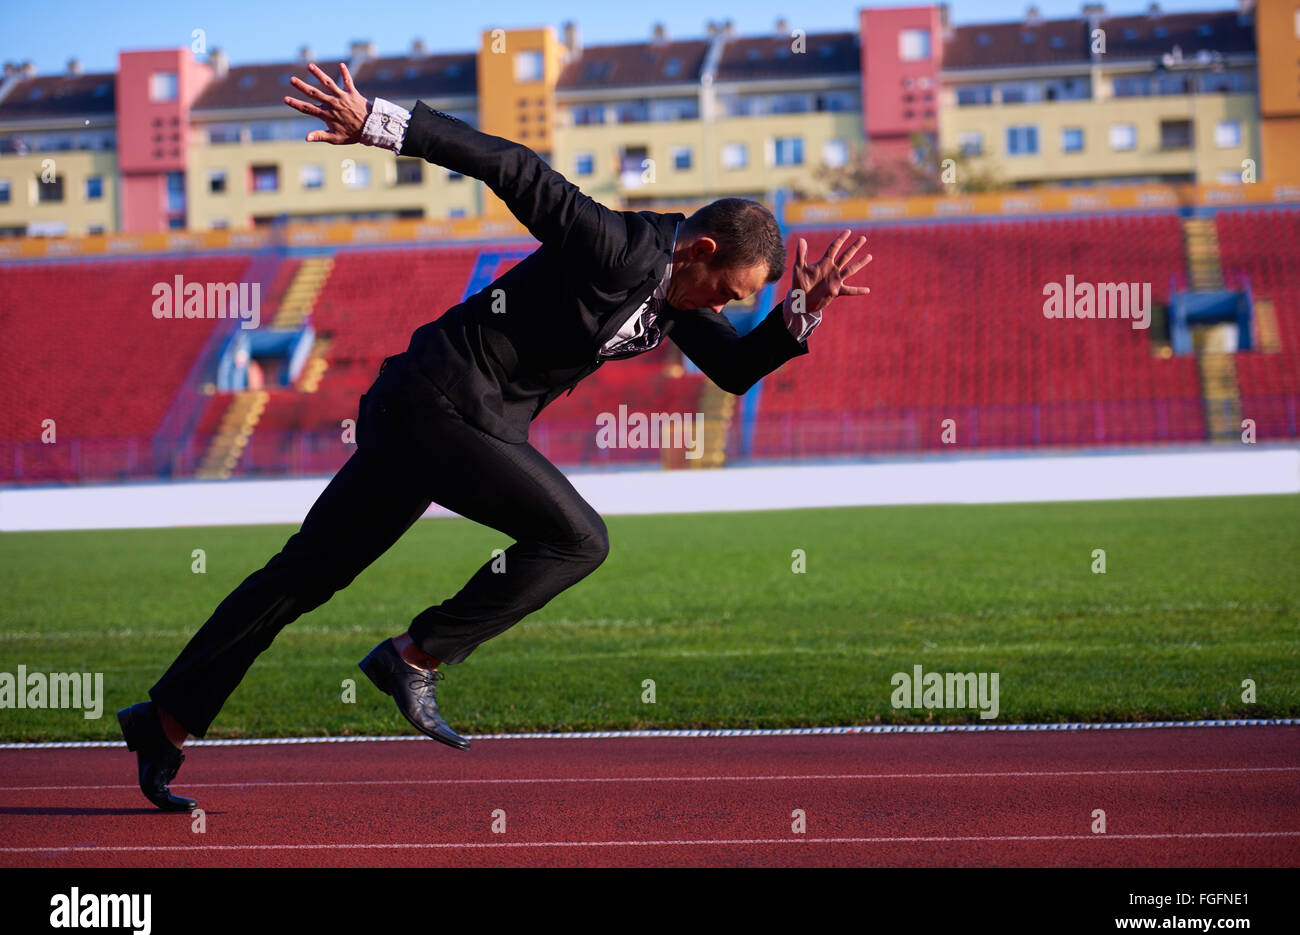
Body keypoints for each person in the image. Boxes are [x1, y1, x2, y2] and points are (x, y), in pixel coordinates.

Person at [117, 62, 871, 810]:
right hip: (441, 402)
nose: (725, 306)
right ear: (701, 253)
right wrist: (378, 123)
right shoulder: (614, 244)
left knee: (301, 577)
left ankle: (166, 721)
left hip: (425, 417)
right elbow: (512, 166)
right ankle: (415, 657)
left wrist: (798, 317)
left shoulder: (676, 304)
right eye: (731, 292)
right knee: (580, 539)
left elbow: (736, 371)